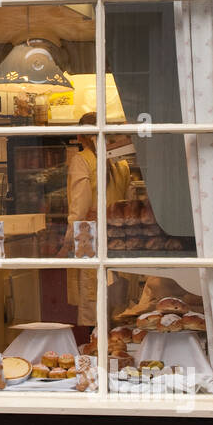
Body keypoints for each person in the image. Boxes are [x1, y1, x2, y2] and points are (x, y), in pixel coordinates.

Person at [65, 112, 134, 338]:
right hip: (116, 236)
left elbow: (79, 204)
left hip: (89, 238)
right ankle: (115, 349)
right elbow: (129, 200)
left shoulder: (82, 160)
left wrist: (67, 239)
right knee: (115, 302)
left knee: (93, 302)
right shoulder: (120, 162)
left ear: (79, 136)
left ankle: (96, 353)